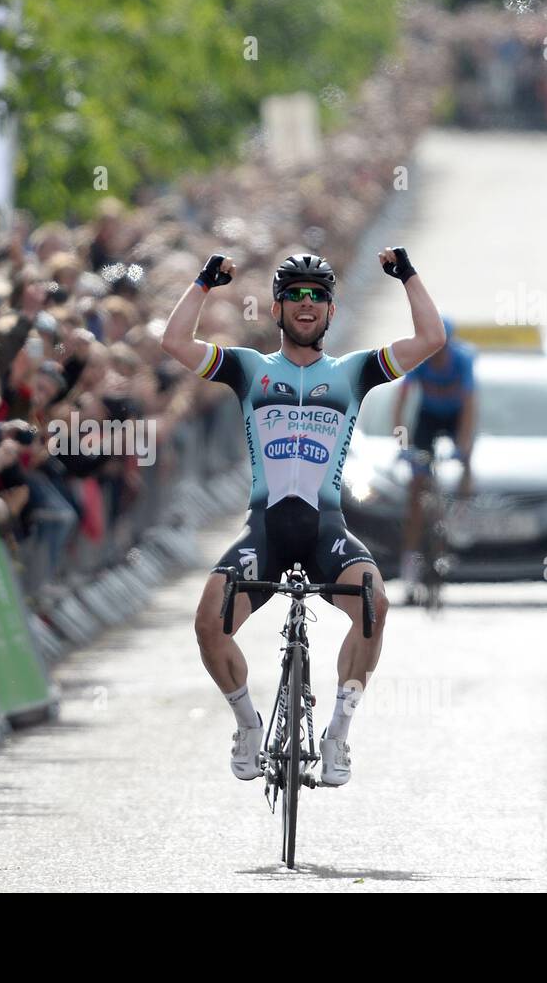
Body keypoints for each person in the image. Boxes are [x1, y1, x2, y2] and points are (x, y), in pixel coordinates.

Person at [161, 247, 445, 786]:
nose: (306, 304)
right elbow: (174, 343)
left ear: (332, 312)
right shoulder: (249, 369)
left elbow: (431, 338)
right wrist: (203, 282)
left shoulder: (354, 371)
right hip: (265, 529)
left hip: (326, 530)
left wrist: (407, 273)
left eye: (318, 297)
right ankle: (247, 724)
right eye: (295, 296)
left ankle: (338, 732)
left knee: (374, 603)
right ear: (277, 310)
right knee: (207, 625)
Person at [391, 317, 476, 590]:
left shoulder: (462, 361)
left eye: (442, 346)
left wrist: (462, 448)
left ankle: (462, 512)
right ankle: (410, 557)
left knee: (468, 457)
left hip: (455, 417)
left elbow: (470, 407)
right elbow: (401, 402)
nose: (437, 352)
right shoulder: (421, 361)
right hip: (427, 417)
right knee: (417, 486)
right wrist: (402, 443)